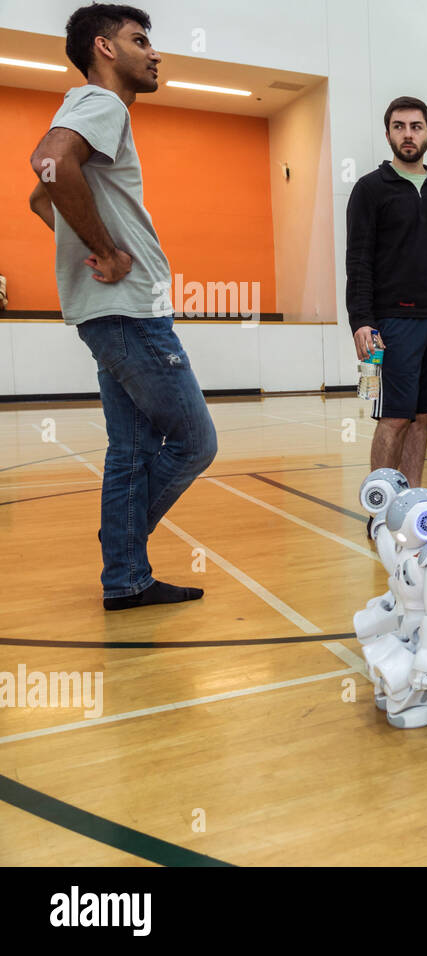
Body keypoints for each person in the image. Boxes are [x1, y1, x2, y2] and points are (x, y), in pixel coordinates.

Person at [28, 4, 217, 611]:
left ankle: (126, 579)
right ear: (105, 49)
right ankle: (124, 545)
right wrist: (105, 251)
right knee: (194, 442)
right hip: (130, 312)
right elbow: (50, 165)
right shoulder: (101, 103)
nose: (154, 52)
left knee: (132, 450)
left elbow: (41, 196)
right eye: (140, 40)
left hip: (109, 313)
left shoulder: (87, 108)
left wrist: (85, 241)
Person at [346, 95, 427, 490]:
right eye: (399, 126)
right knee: (395, 417)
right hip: (394, 323)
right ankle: (381, 507)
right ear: (387, 134)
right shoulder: (370, 189)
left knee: (423, 417)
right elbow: (359, 262)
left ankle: (414, 501)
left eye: (415, 127)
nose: (407, 134)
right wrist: (361, 321)